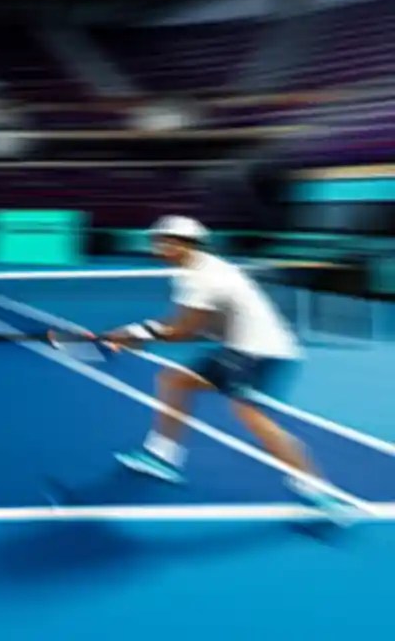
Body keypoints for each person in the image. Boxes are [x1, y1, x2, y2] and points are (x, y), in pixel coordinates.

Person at [103, 215, 351, 519]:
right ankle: (163, 457)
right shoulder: (194, 270)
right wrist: (138, 333)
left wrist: (136, 334)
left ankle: (317, 489)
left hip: (259, 350)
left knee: (247, 412)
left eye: (170, 240)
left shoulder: (201, 278)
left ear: (188, 245)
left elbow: (185, 331)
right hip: (239, 347)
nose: (161, 245)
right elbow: (187, 327)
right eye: (158, 239)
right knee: (174, 381)